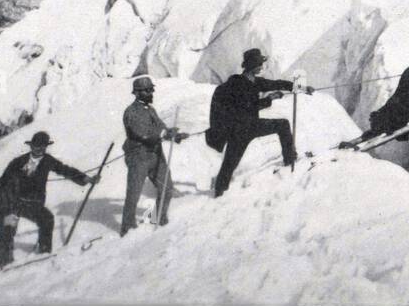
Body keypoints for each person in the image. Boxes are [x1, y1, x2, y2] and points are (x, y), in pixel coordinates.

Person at [209, 49, 315, 198]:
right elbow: (247, 106)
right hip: (241, 129)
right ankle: (289, 158)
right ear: (253, 65)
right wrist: (270, 99)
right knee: (282, 125)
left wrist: (302, 88)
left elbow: (277, 83)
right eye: (259, 64)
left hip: (246, 127)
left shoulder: (254, 82)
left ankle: (219, 190)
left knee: (230, 161)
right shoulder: (237, 83)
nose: (261, 66)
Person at [0, 131, 95, 268]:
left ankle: (44, 254)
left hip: (32, 205)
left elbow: (65, 170)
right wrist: (8, 199)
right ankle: (5, 263)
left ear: (46, 147)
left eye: (42, 146)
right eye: (36, 146)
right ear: (31, 146)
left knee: (46, 219)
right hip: (11, 204)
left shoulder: (48, 161)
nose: (39, 149)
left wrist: (85, 178)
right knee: (8, 226)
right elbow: (0, 184)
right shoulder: (18, 162)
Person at [121, 76, 186, 235]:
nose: (151, 92)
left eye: (152, 89)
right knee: (134, 193)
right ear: (137, 93)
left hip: (156, 154)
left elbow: (159, 127)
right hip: (138, 156)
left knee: (166, 188)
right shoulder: (131, 112)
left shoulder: (150, 110)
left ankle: (158, 217)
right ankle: (127, 227)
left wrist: (173, 134)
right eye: (147, 90)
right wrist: (164, 133)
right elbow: (142, 132)